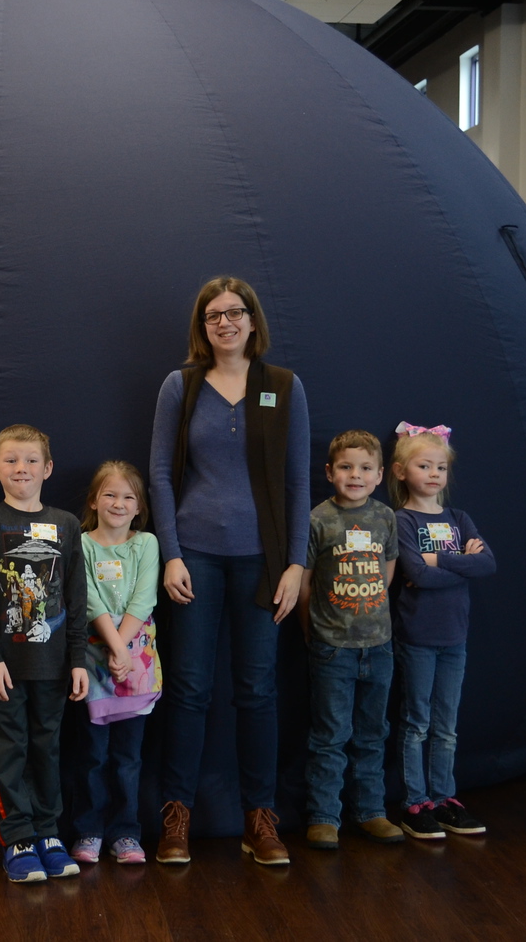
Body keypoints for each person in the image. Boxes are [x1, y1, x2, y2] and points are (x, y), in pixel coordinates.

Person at [147, 275, 309, 866]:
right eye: (213, 315)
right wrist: (170, 554)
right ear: (202, 326)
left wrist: (297, 562)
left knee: (258, 690)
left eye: (235, 313)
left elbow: (297, 480)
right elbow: (160, 475)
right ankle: (175, 821)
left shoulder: (283, 387)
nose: (225, 323)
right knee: (188, 690)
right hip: (195, 559)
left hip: (263, 564)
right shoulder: (181, 386)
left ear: (252, 320)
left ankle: (260, 821)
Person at [0, 424, 89, 884]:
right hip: (4, 665)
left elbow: (77, 598)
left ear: (48, 467)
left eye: (32, 460)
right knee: (10, 748)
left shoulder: (66, 524)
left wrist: (77, 659)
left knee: (47, 747)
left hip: (53, 664)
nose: (22, 468)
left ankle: (47, 831)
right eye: (12, 460)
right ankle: (17, 835)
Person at [389, 423, 497, 840]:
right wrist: (456, 562)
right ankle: (415, 803)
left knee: (446, 725)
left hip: (456, 637)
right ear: (401, 471)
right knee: (417, 722)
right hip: (417, 636)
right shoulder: (401, 519)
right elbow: (415, 573)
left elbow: (488, 565)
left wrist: (438, 562)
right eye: (424, 465)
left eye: (441, 467)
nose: (434, 474)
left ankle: (443, 797)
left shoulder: (458, 517)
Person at [300, 430, 404, 850]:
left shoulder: (385, 518)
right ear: (329, 472)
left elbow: (389, 570)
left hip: (379, 646)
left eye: (364, 468)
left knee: (372, 733)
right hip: (332, 648)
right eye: (345, 467)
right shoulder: (317, 520)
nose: (355, 475)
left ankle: (371, 811)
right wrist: (312, 631)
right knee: (330, 735)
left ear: (380, 475)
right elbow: (304, 584)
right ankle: (324, 816)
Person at [70, 461, 161, 866]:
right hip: (92, 662)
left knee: (128, 758)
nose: (118, 503)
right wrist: (113, 647)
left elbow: (143, 598)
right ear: (94, 500)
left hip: (137, 664)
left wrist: (123, 650)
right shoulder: (82, 543)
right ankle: (88, 831)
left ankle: (126, 832)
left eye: (128, 497)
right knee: (92, 756)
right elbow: (88, 598)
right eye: (109, 494)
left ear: (139, 507)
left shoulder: (146, 544)